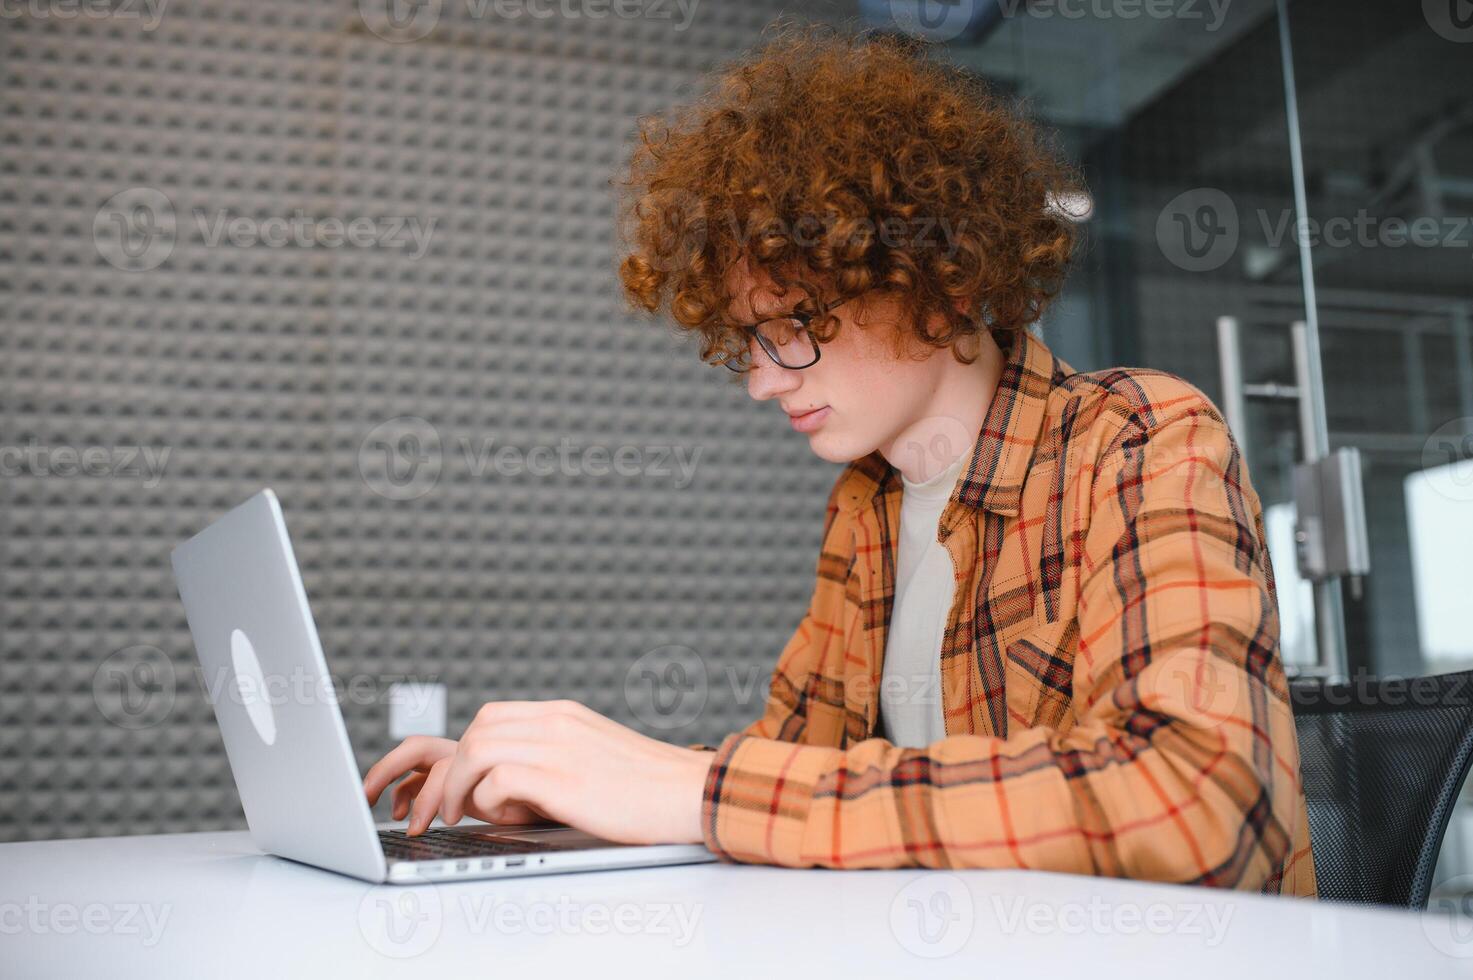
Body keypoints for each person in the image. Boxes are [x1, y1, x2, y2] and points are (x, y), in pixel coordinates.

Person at [363, 24, 1317, 896]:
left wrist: (696, 789)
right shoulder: (866, 505)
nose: (760, 384)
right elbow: (796, 764)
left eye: (791, 328)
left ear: (936, 281)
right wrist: (573, 788)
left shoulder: (1138, 441)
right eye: (750, 342)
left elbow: (1200, 797)